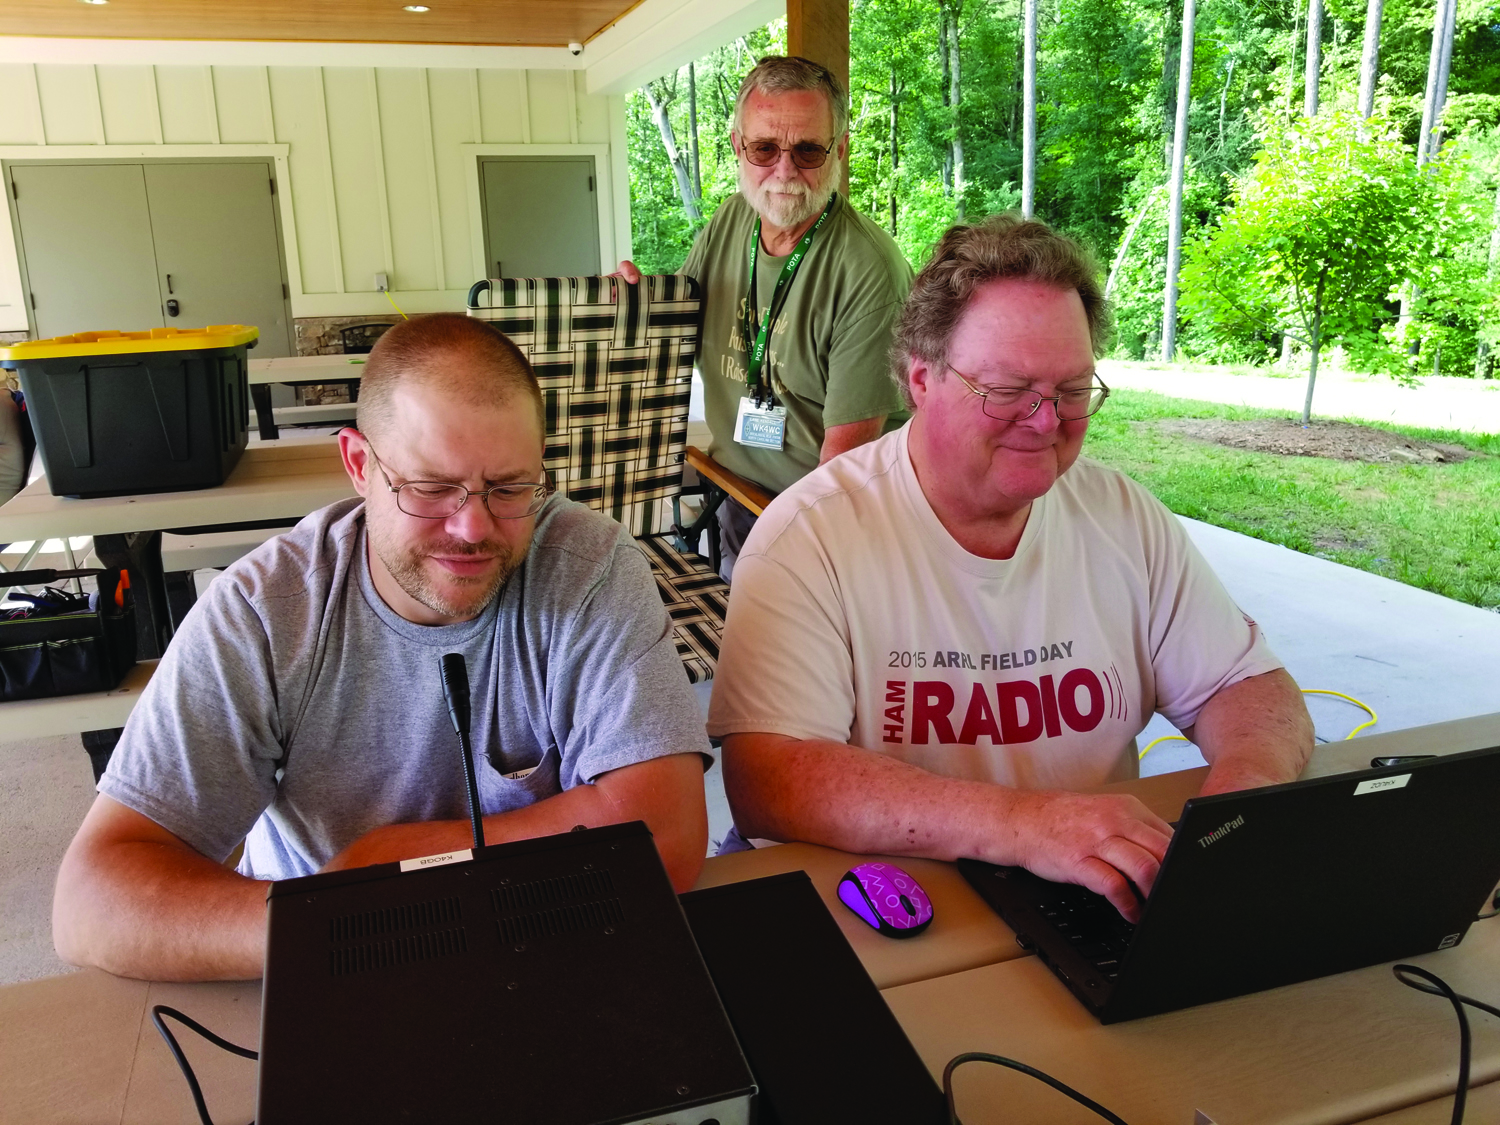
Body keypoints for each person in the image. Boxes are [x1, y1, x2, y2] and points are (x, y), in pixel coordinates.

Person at [53, 314, 712, 981]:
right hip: (326, 965)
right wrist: (347, 921)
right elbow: (89, 902)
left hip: (542, 947)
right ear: (360, 465)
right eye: (430, 488)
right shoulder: (266, 613)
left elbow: (669, 832)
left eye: (510, 488)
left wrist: (402, 859)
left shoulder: (589, 566)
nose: (474, 527)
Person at [708, 214, 1314, 920]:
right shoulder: (811, 537)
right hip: (887, 909)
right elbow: (768, 777)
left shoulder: (1122, 517)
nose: (1045, 420)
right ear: (921, 380)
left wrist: (1234, 817)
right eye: (1006, 390)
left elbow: (1248, 688)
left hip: (1093, 894)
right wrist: (1028, 827)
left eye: (1072, 390)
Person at [617, 56, 912, 576]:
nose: (784, 170)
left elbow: (842, 473)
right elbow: (673, 331)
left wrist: (782, 561)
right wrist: (630, 303)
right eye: (764, 148)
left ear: (839, 151)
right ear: (737, 147)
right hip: (739, 491)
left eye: (808, 149)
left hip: (832, 522)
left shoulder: (868, 270)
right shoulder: (732, 219)